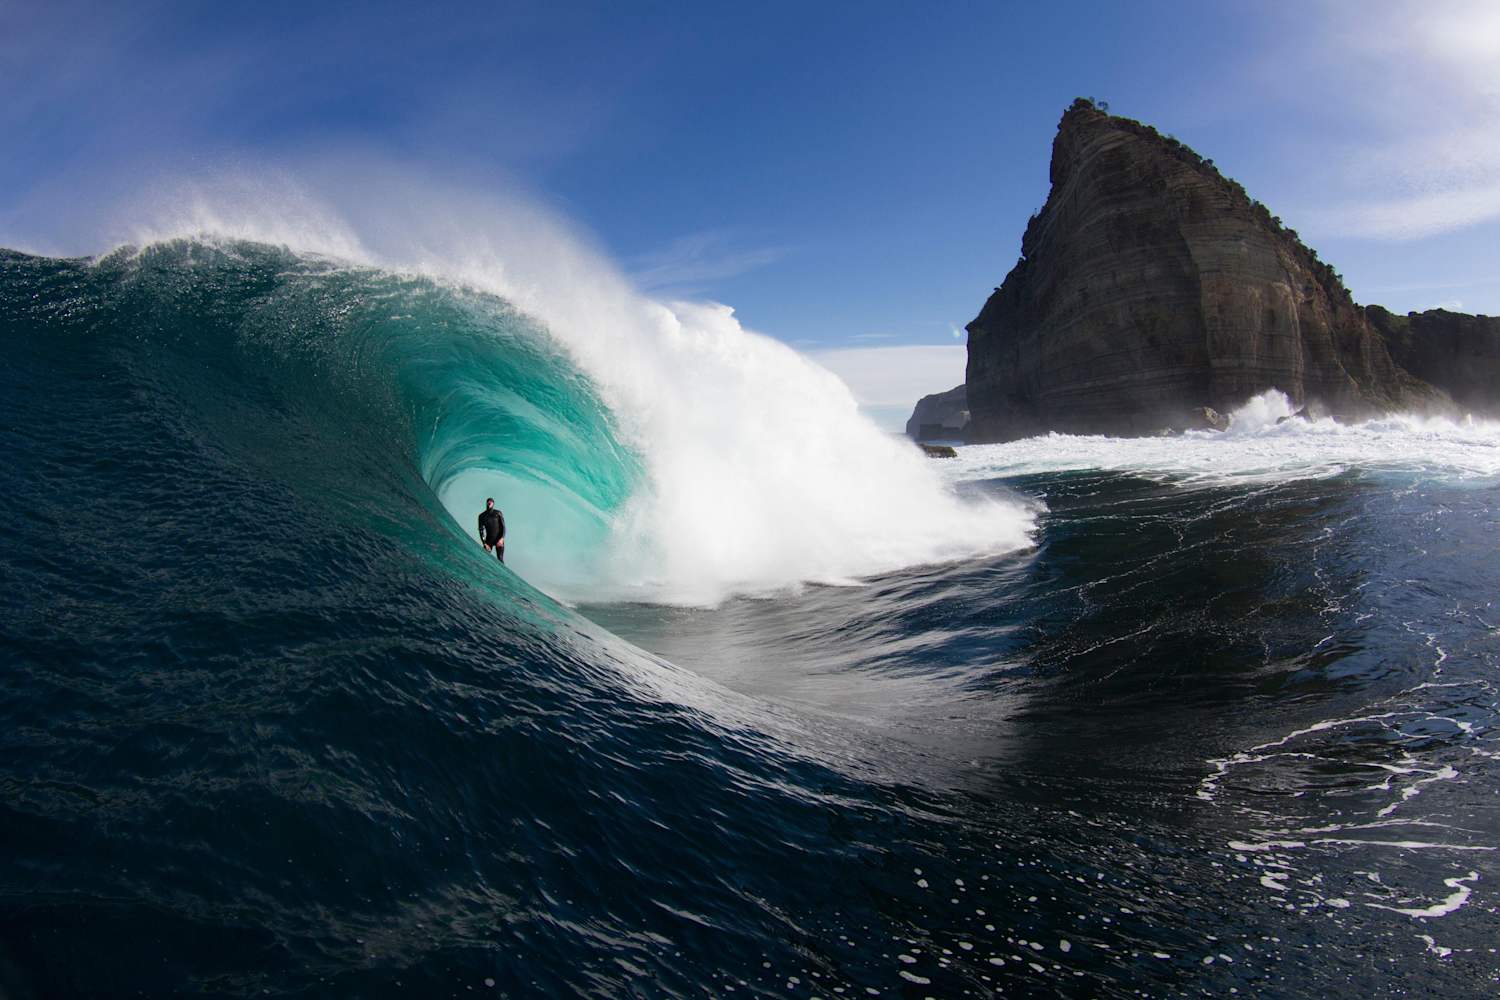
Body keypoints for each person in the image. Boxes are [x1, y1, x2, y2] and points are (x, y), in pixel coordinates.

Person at [477, 498, 506, 563]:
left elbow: (503, 527)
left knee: (500, 559)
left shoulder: (498, 513)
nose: (489, 503)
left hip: (499, 539)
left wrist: (501, 538)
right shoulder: (481, 516)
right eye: (488, 501)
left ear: (493, 503)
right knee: (484, 558)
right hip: (489, 540)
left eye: (491, 501)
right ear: (486, 503)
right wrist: (484, 543)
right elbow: (481, 531)